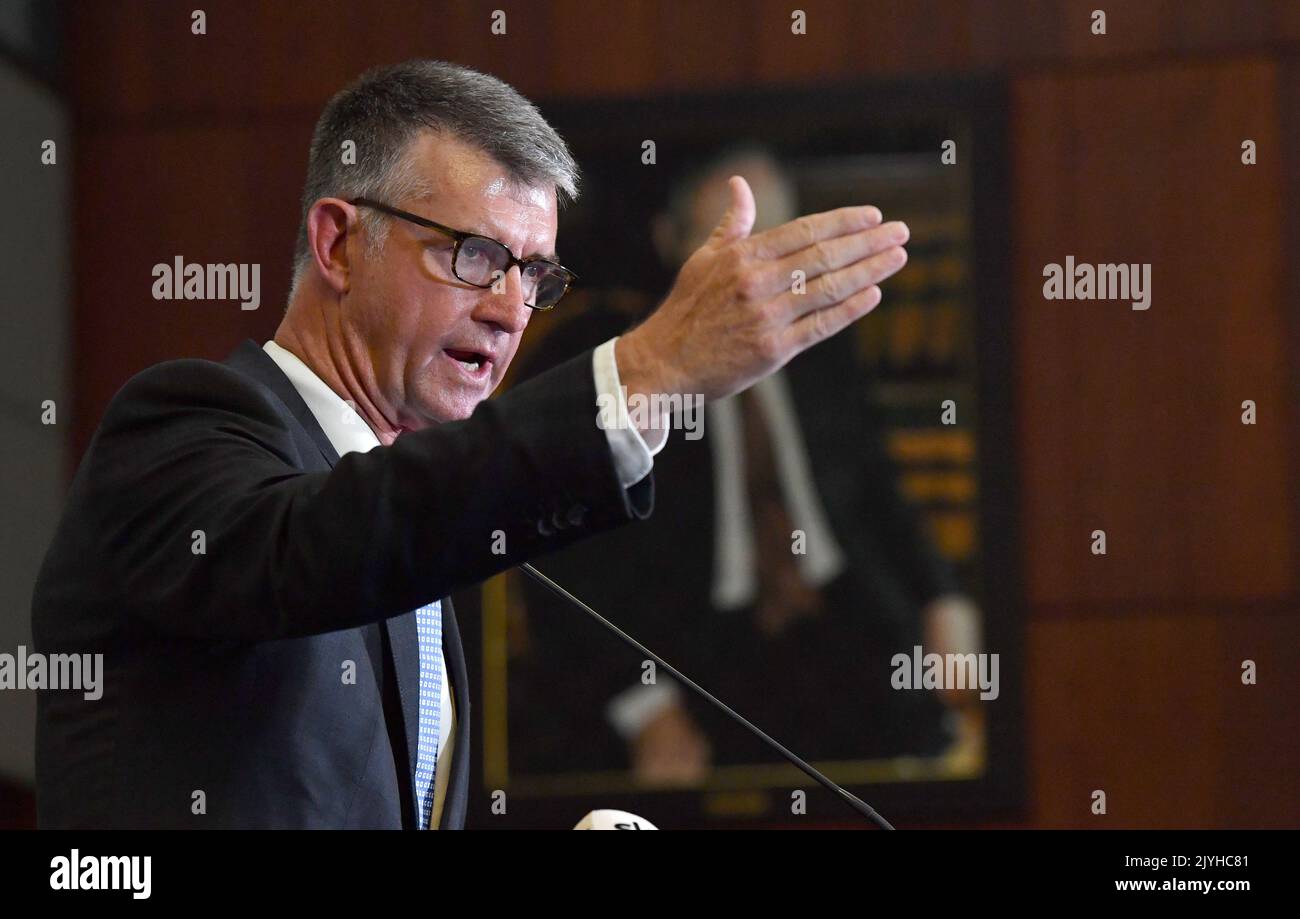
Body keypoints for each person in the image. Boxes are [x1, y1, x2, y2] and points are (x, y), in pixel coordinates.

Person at [30, 61, 910, 828]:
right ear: (338, 243)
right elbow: (319, 542)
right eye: (477, 256)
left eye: (536, 275)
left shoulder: (415, 546)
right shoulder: (181, 430)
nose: (509, 310)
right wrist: (649, 368)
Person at [511, 145, 981, 783]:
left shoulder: (825, 345)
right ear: (669, 242)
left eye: (778, 248)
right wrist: (643, 705)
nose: (758, 277)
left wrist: (942, 598)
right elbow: (556, 559)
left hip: (845, 616)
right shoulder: (618, 363)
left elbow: (879, 491)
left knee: (933, 774)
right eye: (733, 247)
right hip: (690, 647)